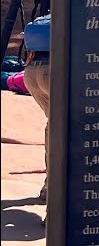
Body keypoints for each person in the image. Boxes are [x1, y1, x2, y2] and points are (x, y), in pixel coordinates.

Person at [21, 15, 51, 202]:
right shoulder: (82, 16)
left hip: (31, 73)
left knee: (55, 125)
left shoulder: (45, 19)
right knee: (66, 129)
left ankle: (49, 188)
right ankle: (56, 200)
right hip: (53, 70)